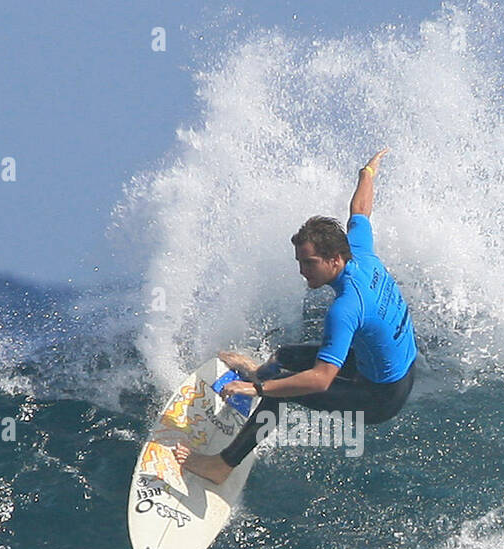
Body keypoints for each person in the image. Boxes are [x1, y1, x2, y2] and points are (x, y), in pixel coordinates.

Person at [175, 148, 417, 484]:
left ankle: (222, 466)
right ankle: (257, 372)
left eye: (309, 263)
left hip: (381, 397)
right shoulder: (360, 252)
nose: (303, 272)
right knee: (286, 356)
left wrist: (260, 390)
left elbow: (320, 380)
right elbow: (360, 210)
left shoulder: (346, 306)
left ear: (334, 258)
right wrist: (368, 172)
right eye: (300, 263)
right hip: (396, 367)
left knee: (283, 390)